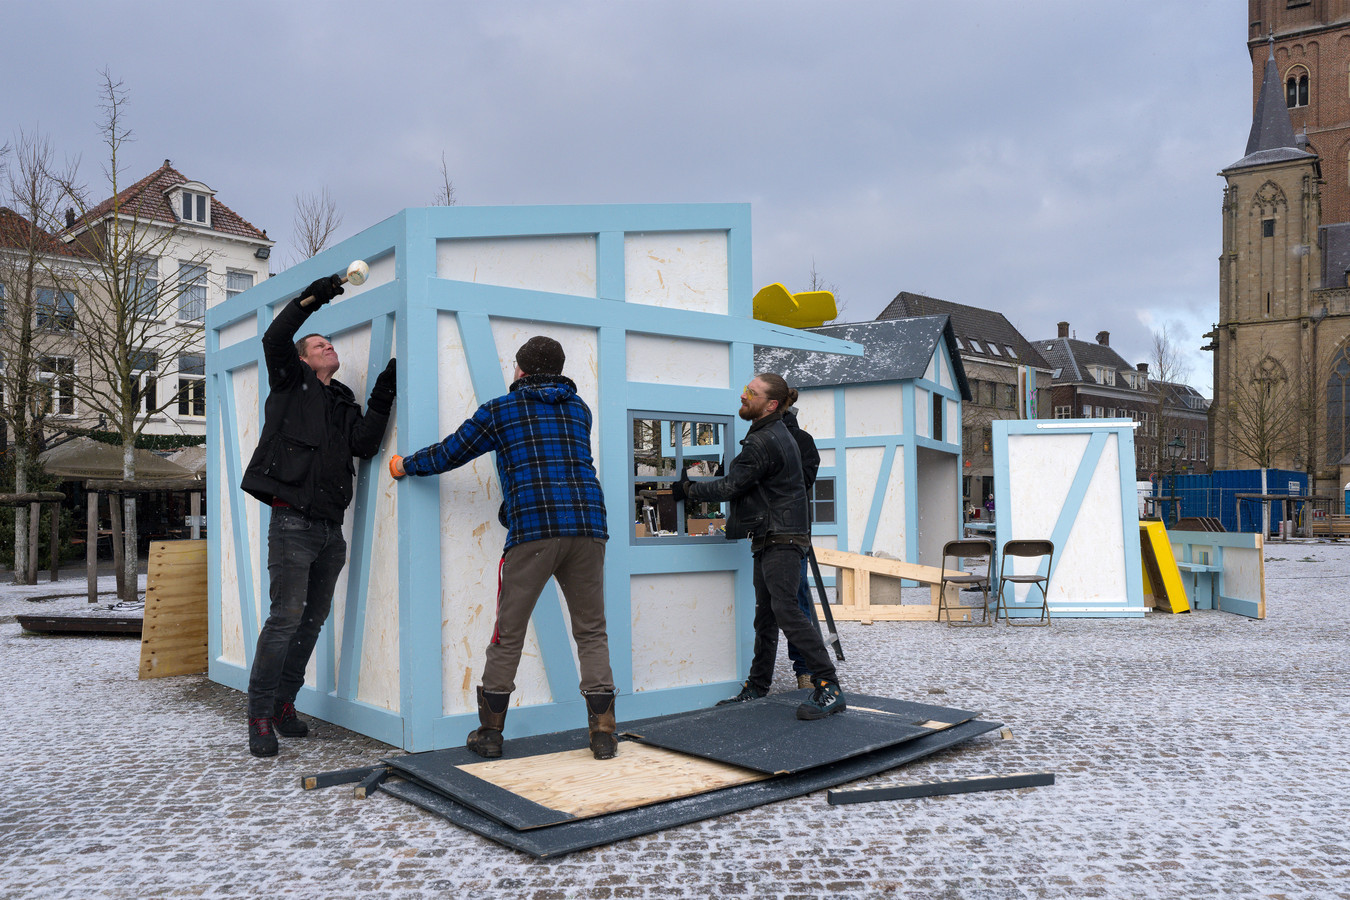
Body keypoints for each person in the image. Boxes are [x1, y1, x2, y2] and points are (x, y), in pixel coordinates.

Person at [389, 337, 617, 760]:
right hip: (588, 526)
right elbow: (553, 463)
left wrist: (406, 464)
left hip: (534, 532)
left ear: (521, 370)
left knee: (507, 635)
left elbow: (450, 453)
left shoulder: (501, 410)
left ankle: (490, 735)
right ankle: (603, 733)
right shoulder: (578, 409)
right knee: (591, 630)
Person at [240, 274, 397, 758]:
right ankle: (260, 715)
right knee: (284, 619)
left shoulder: (341, 401)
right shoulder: (290, 383)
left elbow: (366, 443)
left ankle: (286, 703)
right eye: (318, 344)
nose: (327, 347)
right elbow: (274, 336)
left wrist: (387, 386)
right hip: (291, 523)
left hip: (330, 530)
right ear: (305, 359)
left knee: (312, 621)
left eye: (330, 343)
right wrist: (319, 293)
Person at [671, 372, 846, 720]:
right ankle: (757, 687)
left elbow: (729, 488)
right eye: (746, 389)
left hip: (781, 538)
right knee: (766, 617)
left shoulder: (763, 441)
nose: (743, 395)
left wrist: (688, 490)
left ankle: (828, 686)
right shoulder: (772, 434)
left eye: (751, 392)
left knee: (786, 613)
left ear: (771, 404)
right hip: (772, 536)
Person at [781, 393, 825, 691]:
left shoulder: (799, 440)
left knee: (795, 602)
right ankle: (806, 670)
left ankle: (808, 670)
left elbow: (797, 485)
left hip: (790, 533)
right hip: (789, 531)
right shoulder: (802, 440)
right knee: (796, 601)